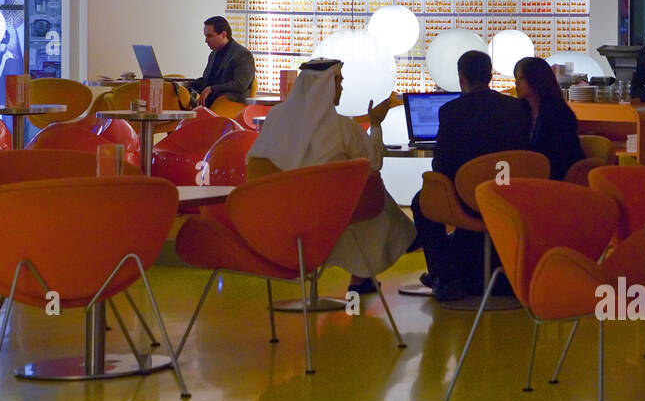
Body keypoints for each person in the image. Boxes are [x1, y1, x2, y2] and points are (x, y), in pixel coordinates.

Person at [247, 58, 413, 293]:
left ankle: (361, 278)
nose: (342, 88)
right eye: (338, 82)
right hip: (332, 214)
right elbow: (374, 163)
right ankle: (362, 275)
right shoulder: (343, 128)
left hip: (280, 215)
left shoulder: (275, 119)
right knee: (367, 193)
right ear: (324, 86)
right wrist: (375, 123)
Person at [410, 50, 532, 301]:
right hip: (509, 197)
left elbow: (442, 165)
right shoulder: (517, 108)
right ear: (490, 76)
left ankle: (444, 276)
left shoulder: (451, 112)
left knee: (421, 203)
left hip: (467, 200)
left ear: (460, 78)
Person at [514, 56, 584, 179]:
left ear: (535, 80)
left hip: (556, 178)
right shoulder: (520, 111)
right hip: (532, 173)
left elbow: (558, 157)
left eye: (521, 78)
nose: (516, 83)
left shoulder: (559, 115)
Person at [184, 16, 255, 108]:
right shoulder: (214, 54)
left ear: (223, 35)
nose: (206, 40)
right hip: (211, 104)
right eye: (205, 36)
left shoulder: (243, 54)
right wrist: (187, 85)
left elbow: (240, 85)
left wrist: (212, 89)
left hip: (229, 105)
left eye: (209, 36)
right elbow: (208, 80)